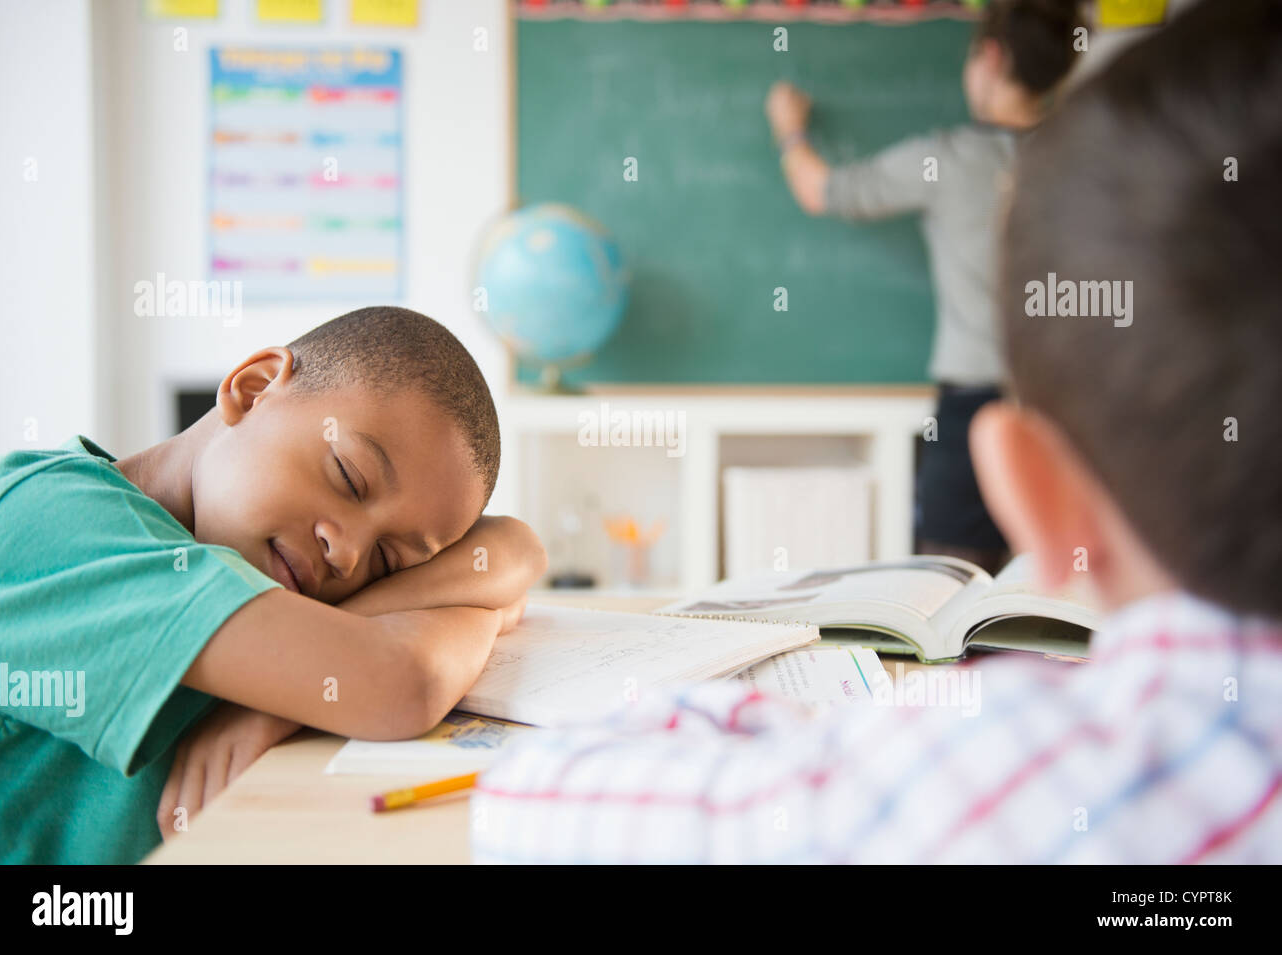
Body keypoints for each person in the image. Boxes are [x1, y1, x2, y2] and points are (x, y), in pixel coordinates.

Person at [470, 0, 1282, 864]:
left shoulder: (973, 788)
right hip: (1078, 423)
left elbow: (529, 795)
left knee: (962, 607)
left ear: (992, 58)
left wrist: (790, 130)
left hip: (983, 404)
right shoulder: (1105, 177)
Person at [0, 306, 547, 863]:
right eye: (350, 478)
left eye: (389, 560)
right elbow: (405, 682)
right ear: (253, 388)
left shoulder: (225, 560)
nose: (347, 555)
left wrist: (284, 702)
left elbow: (514, 548)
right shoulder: (50, 520)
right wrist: (482, 613)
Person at [765, 0, 1087, 573]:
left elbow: (824, 191)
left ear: (991, 57)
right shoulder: (1088, 157)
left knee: (948, 594)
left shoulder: (947, 159)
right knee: (1059, 598)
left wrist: (790, 133)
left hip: (971, 412)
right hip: (1068, 409)